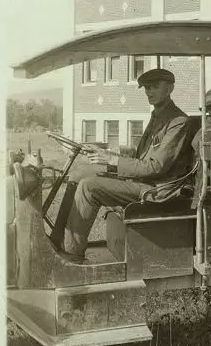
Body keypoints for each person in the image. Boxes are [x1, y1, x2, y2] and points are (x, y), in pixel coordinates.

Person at [61, 69, 195, 263]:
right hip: (144, 180)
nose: (149, 92)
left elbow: (154, 167)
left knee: (89, 187)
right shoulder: (158, 115)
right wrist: (109, 151)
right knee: (79, 173)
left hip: (157, 190)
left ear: (170, 88)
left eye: (155, 87)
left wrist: (111, 160)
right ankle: (60, 239)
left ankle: (73, 257)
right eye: (147, 88)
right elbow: (141, 154)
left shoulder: (178, 121)